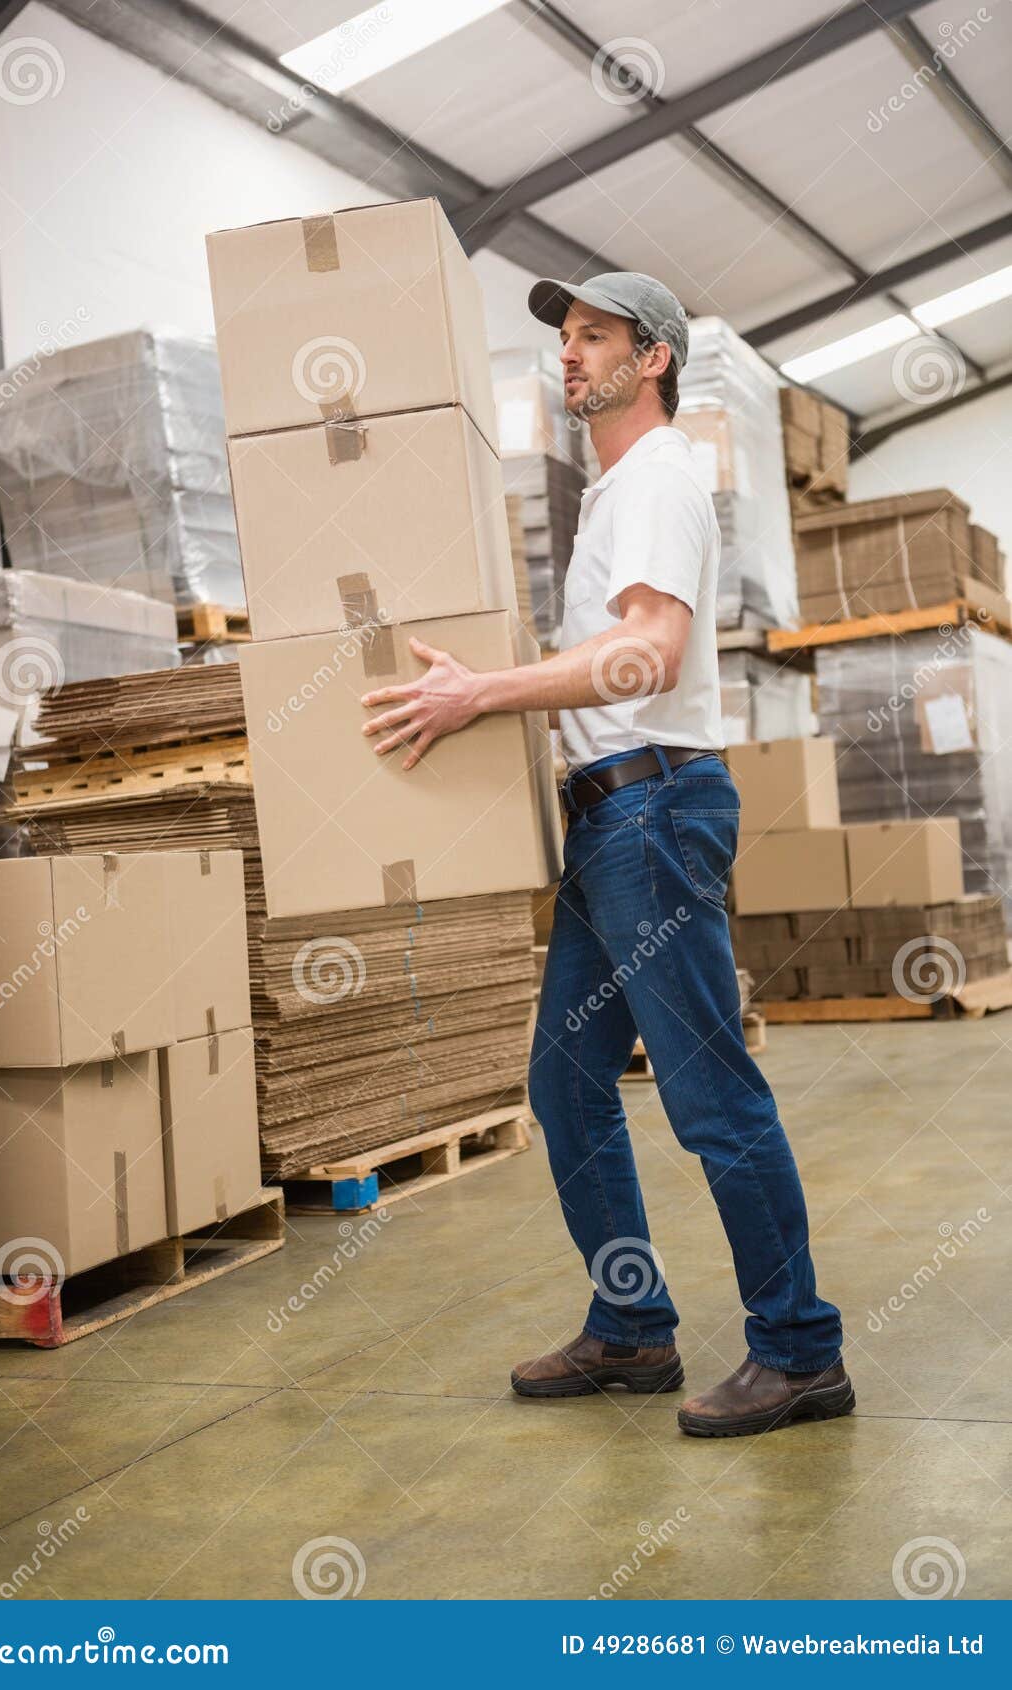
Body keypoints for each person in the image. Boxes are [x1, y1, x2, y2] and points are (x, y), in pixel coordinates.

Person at [360, 272, 852, 1438]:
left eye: (594, 337)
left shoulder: (658, 479)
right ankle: (631, 1326)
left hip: (654, 812)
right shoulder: (616, 490)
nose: (569, 356)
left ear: (657, 357)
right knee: (565, 1083)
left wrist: (485, 693)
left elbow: (647, 656)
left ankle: (798, 1351)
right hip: (609, 816)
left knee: (705, 1094)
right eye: (565, 339)